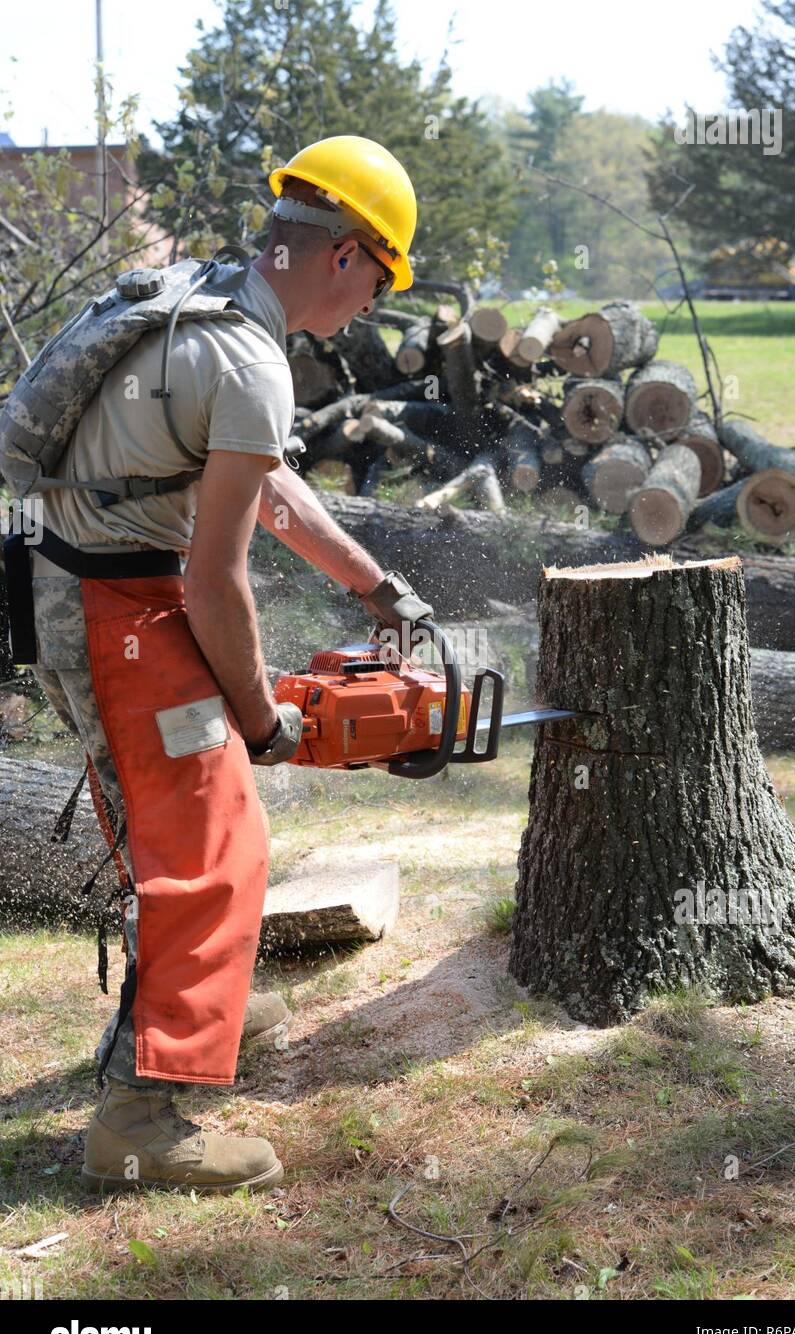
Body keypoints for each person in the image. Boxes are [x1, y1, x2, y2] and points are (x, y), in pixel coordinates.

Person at [14, 135, 433, 1194]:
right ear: (346, 254)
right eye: (378, 285)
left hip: (87, 583)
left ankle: (203, 1006)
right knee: (202, 843)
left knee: (197, 824)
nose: (369, 311)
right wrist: (259, 720)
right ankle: (142, 1119)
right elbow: (216, 583)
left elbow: (274, 492)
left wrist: (376, 586)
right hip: (118, 606)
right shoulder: (250, 361)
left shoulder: (207, 300)